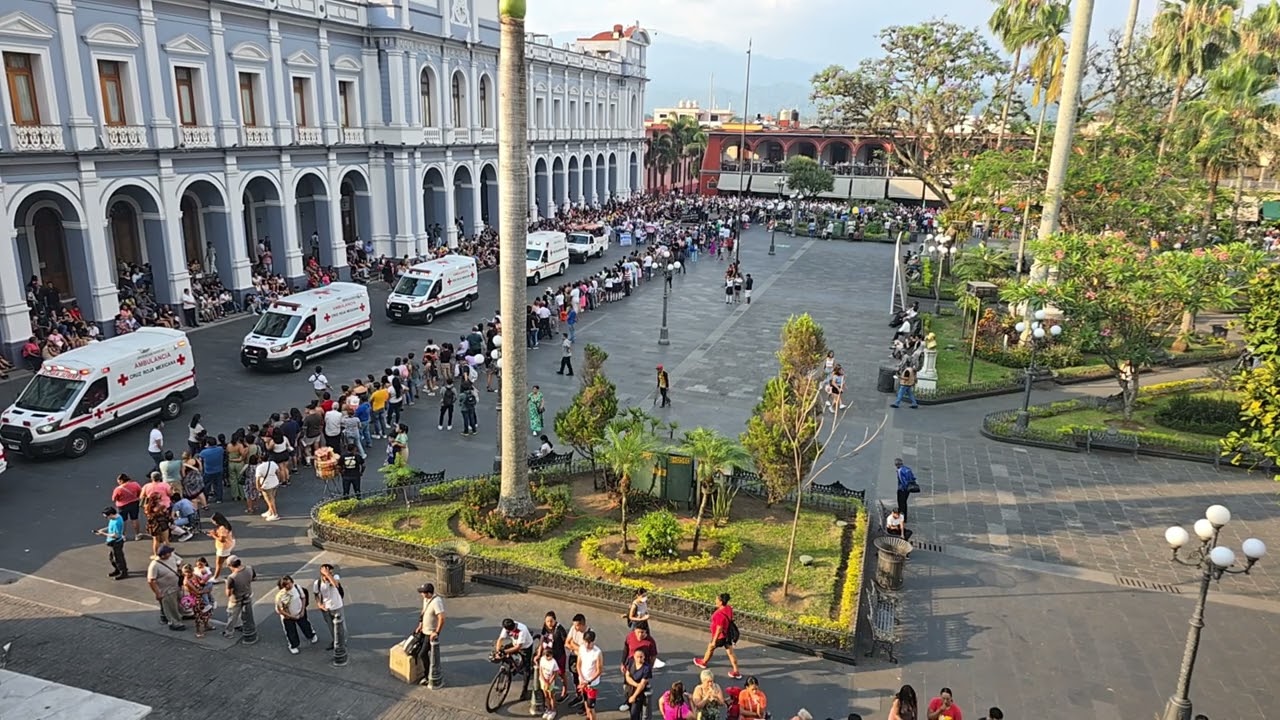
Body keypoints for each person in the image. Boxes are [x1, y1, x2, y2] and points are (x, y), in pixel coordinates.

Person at [694, 593, 741, 679]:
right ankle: (736, 671)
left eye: (717, 600)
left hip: (720, 636)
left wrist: (714, 641)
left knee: (710, 648)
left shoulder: (719, 614)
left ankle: (703, 662)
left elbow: (719, 629)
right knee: (730, 653)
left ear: (721, 602)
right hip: (728, 635)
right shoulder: (728, 608)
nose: (715, 601)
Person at [274, 575, 318, 654]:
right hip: (287, 617)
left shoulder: (297, 588)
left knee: (305, 625)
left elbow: (303, 597)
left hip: (299, 612)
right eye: (286, 585)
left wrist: (302, 610)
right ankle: (293, 645)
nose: (288, 586)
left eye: (289, 583)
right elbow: (279, 609)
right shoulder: (280, 596)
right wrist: (290, 616)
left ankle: (311, 635)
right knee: (291, 631)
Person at [313, 564, 347, 666]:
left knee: (342, 627)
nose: (331, 574)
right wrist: (319, 604)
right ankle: (335, 642)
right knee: (331, 626)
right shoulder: (317, 583)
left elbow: (335, 584)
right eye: (329, 572)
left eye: (331, 572)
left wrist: (328, 575)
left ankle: (342, 643)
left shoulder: (334, 577)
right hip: (326, 608)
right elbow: (316, 593)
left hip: (337, 606)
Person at [495, 618, 537, 701]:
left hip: (525, 647)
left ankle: (524, 691)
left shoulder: (522, 629)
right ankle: (511, 666)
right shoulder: (506, 627)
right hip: (514, 643)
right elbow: (500, 639)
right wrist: (498, 651)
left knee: (526, 669)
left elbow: (518, 647)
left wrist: (504, 651)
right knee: (504, 652)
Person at [146, 545, 185, 631]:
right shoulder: (154, 565)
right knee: (171, 606)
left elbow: (180, 560)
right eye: (169, 553)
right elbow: (151, 580)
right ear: (163, 555)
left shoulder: (172, 556)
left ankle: (179, 616)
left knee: (178, 602)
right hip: (166, 590)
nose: (171, 553)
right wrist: (158, 593)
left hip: (176, 585)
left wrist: (179, 567)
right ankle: (174, 622)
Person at [415, 583, 446, 686]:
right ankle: (426, 671)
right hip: (424, 630)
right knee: (419, 650)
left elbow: (442, 618)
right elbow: (423, 612)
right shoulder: (426, 599)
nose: (421, 594)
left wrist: (436, 632)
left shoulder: (437, 602)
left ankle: (428, 675)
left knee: (423, 653)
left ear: (429, 593)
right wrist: (420, 625)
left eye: (422, 592)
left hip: (430, 633)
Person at [223, 555, 257, 642]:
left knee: (232, 616)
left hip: (236, 599)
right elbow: (254, 578)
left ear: (230, 565)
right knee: (246, 615)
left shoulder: (231, 577)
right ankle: (242, 626)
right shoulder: (249, 568)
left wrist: (227, 583)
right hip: (247, 595)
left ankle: (229, 632)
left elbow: (228, 593)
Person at [575, 630, 603, 720]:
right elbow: (578, 665)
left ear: (593, 641)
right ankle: (588, 717)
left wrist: (588, 681)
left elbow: (599, 670)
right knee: (586, 703)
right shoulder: (581, 648)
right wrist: (582, 679)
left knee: (591, 707)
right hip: (582, 681)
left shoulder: (597, 652)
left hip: (592, 684)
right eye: (585, 642)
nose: (587, 644)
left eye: (589, 642)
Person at [96, 506, 128, 580]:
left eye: (106, 517)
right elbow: (110, 526)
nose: (107, 518)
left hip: (116, 542)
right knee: (111, 558)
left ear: (110, 514)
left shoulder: (117, 522)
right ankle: (118, 569)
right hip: (111, 541)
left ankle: (123, 572)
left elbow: (115, 536)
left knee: (118, 558)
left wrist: (103, 534)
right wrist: (103, 530)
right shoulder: (113, 518)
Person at [111, 473, 144, 541]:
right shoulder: (135, 484)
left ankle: (123, 535)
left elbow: (114, 499)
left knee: (123, 520)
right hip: (134, 503)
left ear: (121, 480)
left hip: (122, 506)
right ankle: (137, 535)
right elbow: (140, 492)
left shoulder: (118, 489)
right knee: (135, 519)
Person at [623, 647, 653, 720]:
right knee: (631, 711)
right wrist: (636, 684)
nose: (639, 659)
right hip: (630, 690)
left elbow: (642, 684)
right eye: (637, 657)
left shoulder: (646, 668)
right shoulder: (631, 662)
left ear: (644, 657)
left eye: (641, 657)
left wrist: (634, 696)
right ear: (634, 657)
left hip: (639, 693)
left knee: (636, 713)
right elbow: (627, 676)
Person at [895, 458, 917, 522]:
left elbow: (902, 481)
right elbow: (913, 477)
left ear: (897, 465)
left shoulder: (899, 471)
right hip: (908, 489)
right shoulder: (907, 469)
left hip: (902, 489)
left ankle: (902, 518)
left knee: (901, 503)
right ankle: (904, 517)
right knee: (904, 503)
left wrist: (903, 488)